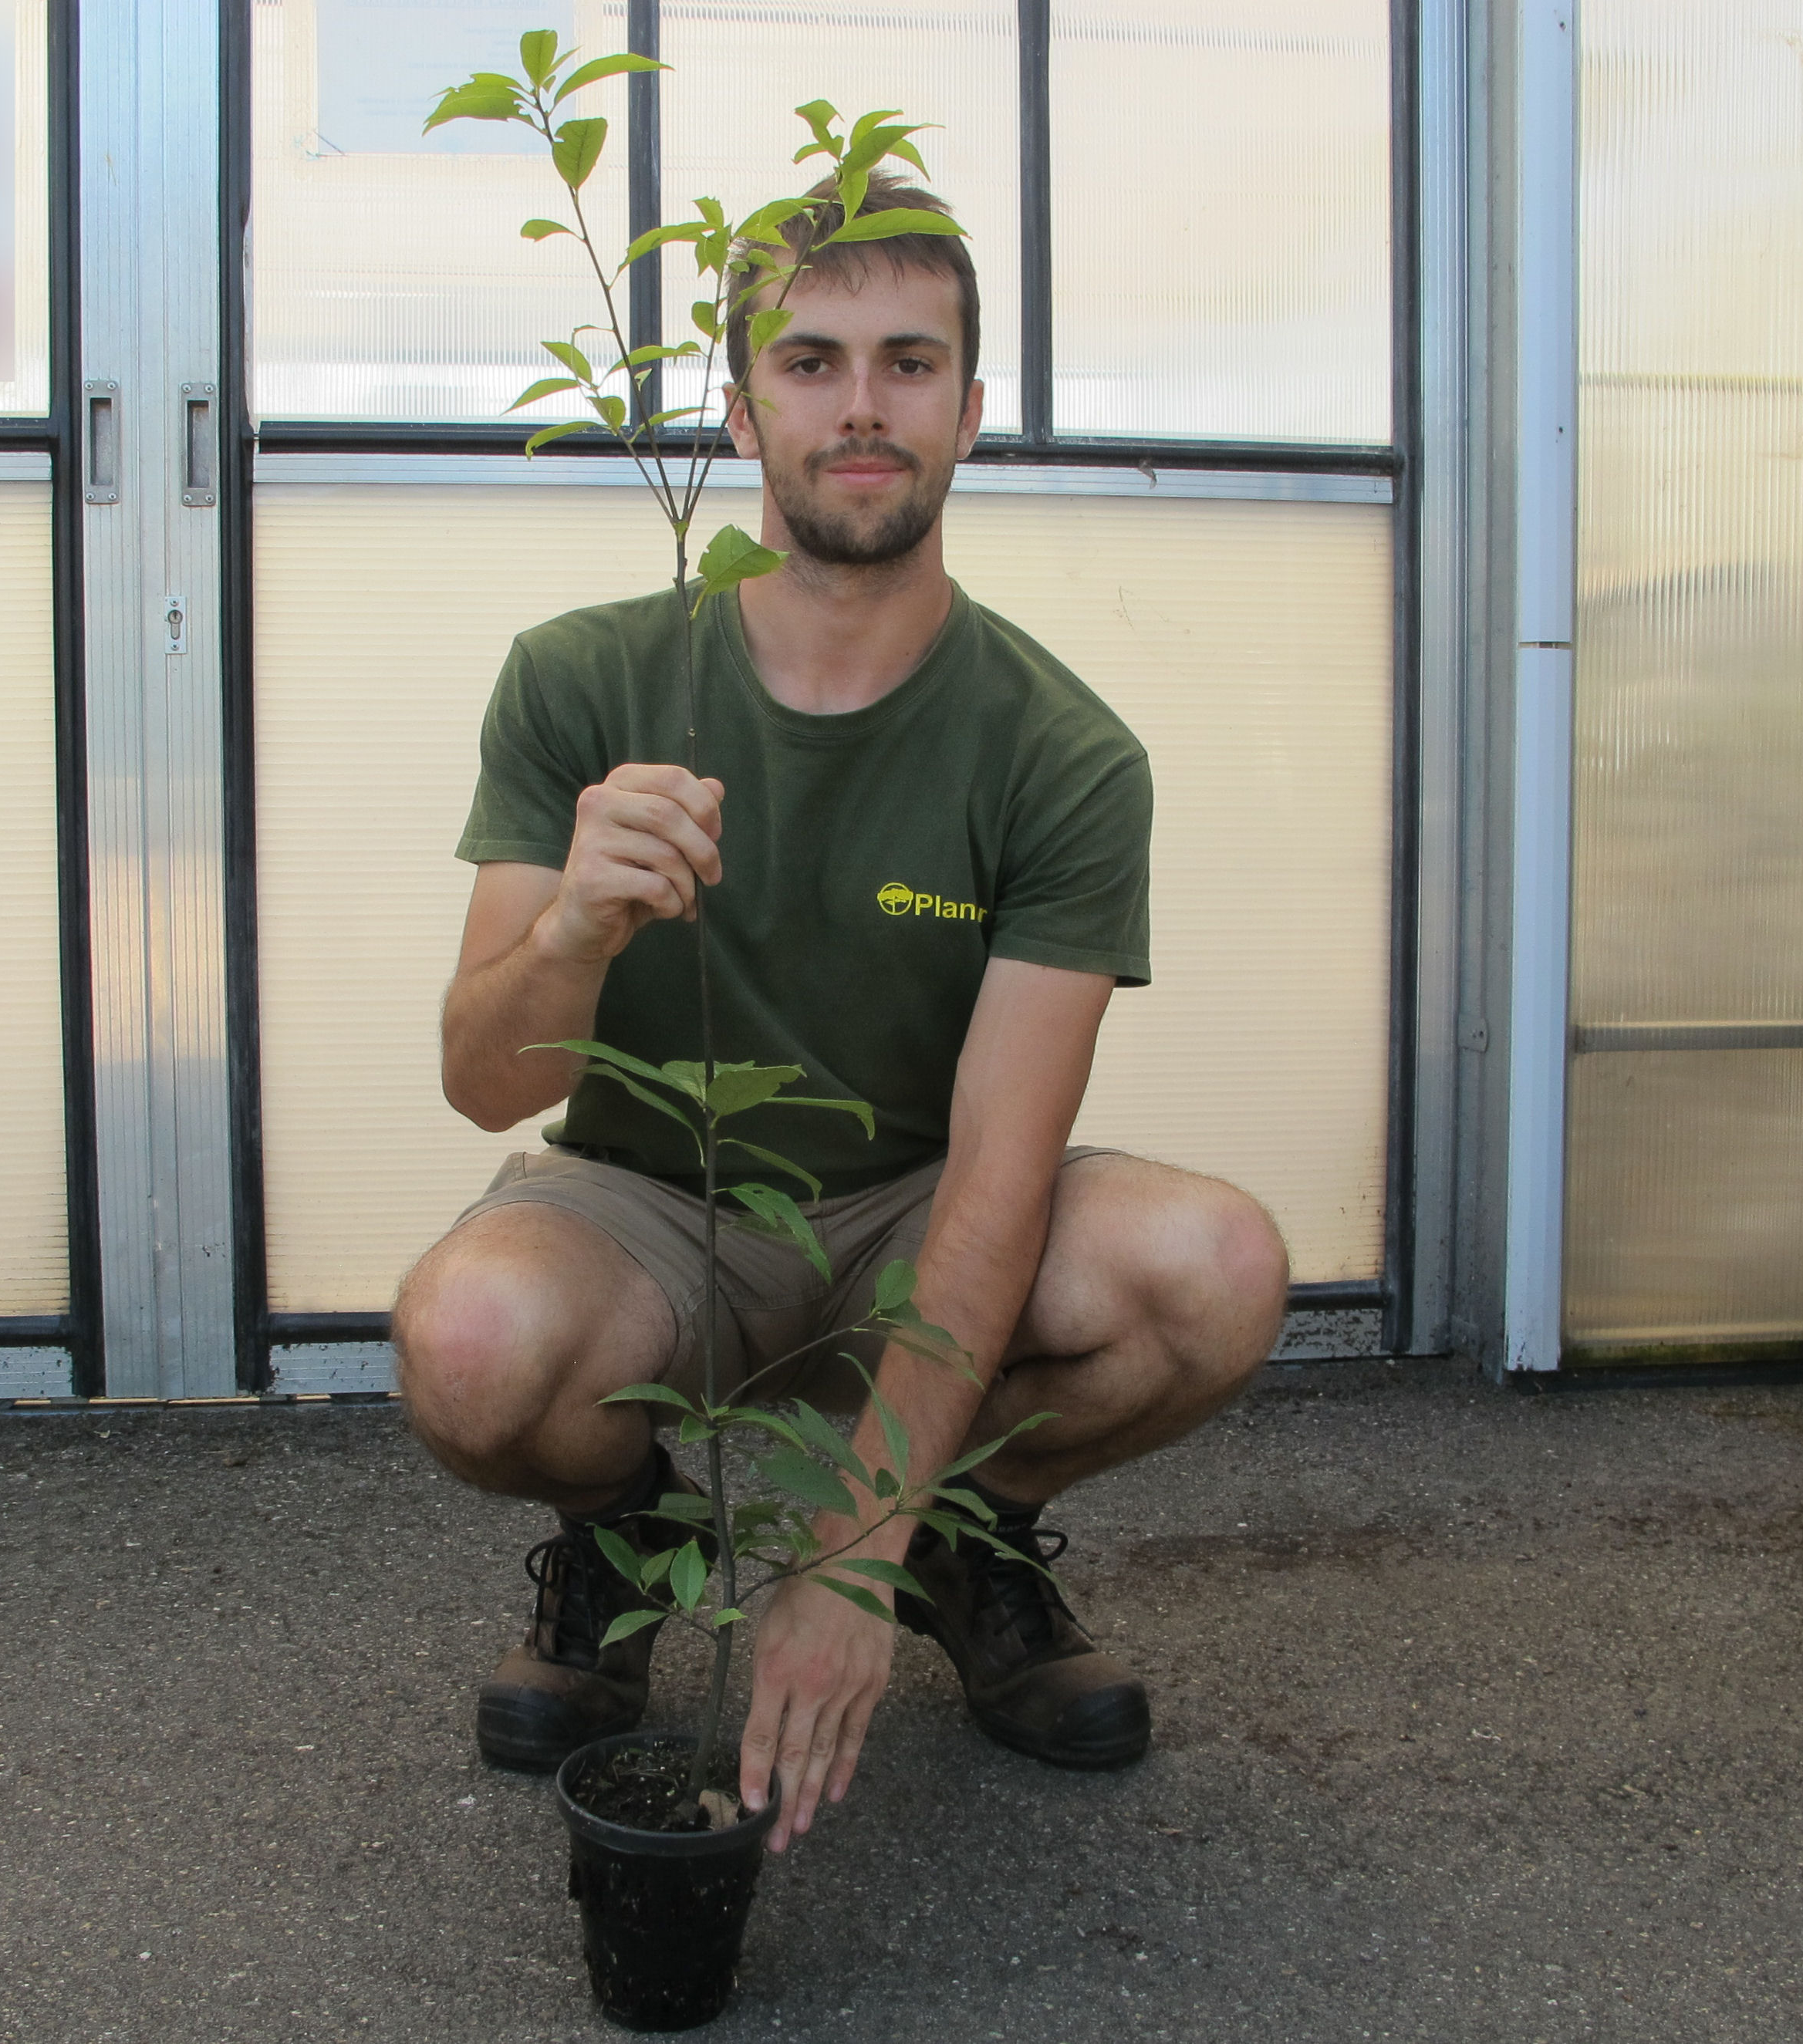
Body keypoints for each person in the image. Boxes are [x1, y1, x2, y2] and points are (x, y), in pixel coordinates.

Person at [391, 172, 1289, 1857]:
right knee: (466, 1342)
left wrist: (851, 1545)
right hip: (647, 1209)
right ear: (739, 408)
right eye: (808, 361)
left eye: (905, 360)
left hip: (907, 1207)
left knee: (1213, 1268)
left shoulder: (1060, 753)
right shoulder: (583, 679)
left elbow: (998, 1177)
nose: (860, 406)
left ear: (970, 406)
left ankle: (959, 1530)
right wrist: (577, 923)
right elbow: (477, 1079)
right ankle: (623, 1526)